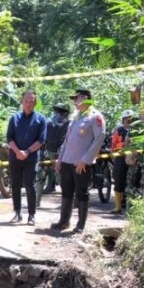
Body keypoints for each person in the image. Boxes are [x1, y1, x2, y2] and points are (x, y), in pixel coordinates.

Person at [52, 88, 104, 232]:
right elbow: (67, 140)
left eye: (76, 98)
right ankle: (63, 221)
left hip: (81, 163)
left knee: (81, 192)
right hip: (67, 161)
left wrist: (85, 160)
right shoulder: (76, 116)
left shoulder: (95, 116)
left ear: (85, 98)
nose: (74, 101)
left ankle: (80, 225)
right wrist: (60, 159)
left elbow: (99, 139)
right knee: (66, 191)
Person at [5, 89, 48, 225]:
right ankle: (17, 213)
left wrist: (27, 152)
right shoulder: (15, 118)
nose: (29, 104)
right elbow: (9, 138)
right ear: (22, 102)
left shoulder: (40, 119)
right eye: (26, 101)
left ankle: (31, 215)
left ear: (35, 102)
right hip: (15, 157)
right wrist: (18, 152)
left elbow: (41, 140)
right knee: (15, 185)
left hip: (31, 158)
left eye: (31, 101)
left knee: (30, 185)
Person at [110, 110, 136, 213]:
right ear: (123, 120)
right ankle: (118, 206)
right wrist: (122, 146)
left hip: (133, 158)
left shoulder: (136, 130)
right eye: (126, 119)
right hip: (120, 157)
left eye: (130, 119)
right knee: (118, 179)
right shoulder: (119, 130)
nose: (128, 121)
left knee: (131, 180)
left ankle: (130, 203)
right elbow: (113, 145)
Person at [41, 102, 71, 194]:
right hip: (56, 149)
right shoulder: (51, 121)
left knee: (55, 168)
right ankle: (54, 187)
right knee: (54, 168)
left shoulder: (50, 120)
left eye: (60, 111)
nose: (58, 113)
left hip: (56, 149)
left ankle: (58, 188)